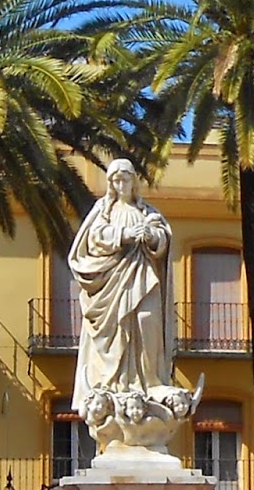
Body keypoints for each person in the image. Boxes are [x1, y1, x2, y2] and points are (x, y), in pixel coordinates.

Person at [69, 157, 175, 408]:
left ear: (133, 181)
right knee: (118, 328)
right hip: (112, 282)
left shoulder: (147, 212)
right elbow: (92, 239)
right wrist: (123, 235)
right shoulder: (103, 211)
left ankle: (150, 380)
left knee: (146, 320)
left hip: (143, 274)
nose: (120, 184)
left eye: (125, 178)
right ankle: (116, 382)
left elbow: (163, 238)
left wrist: (151, 236)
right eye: (115, 180)